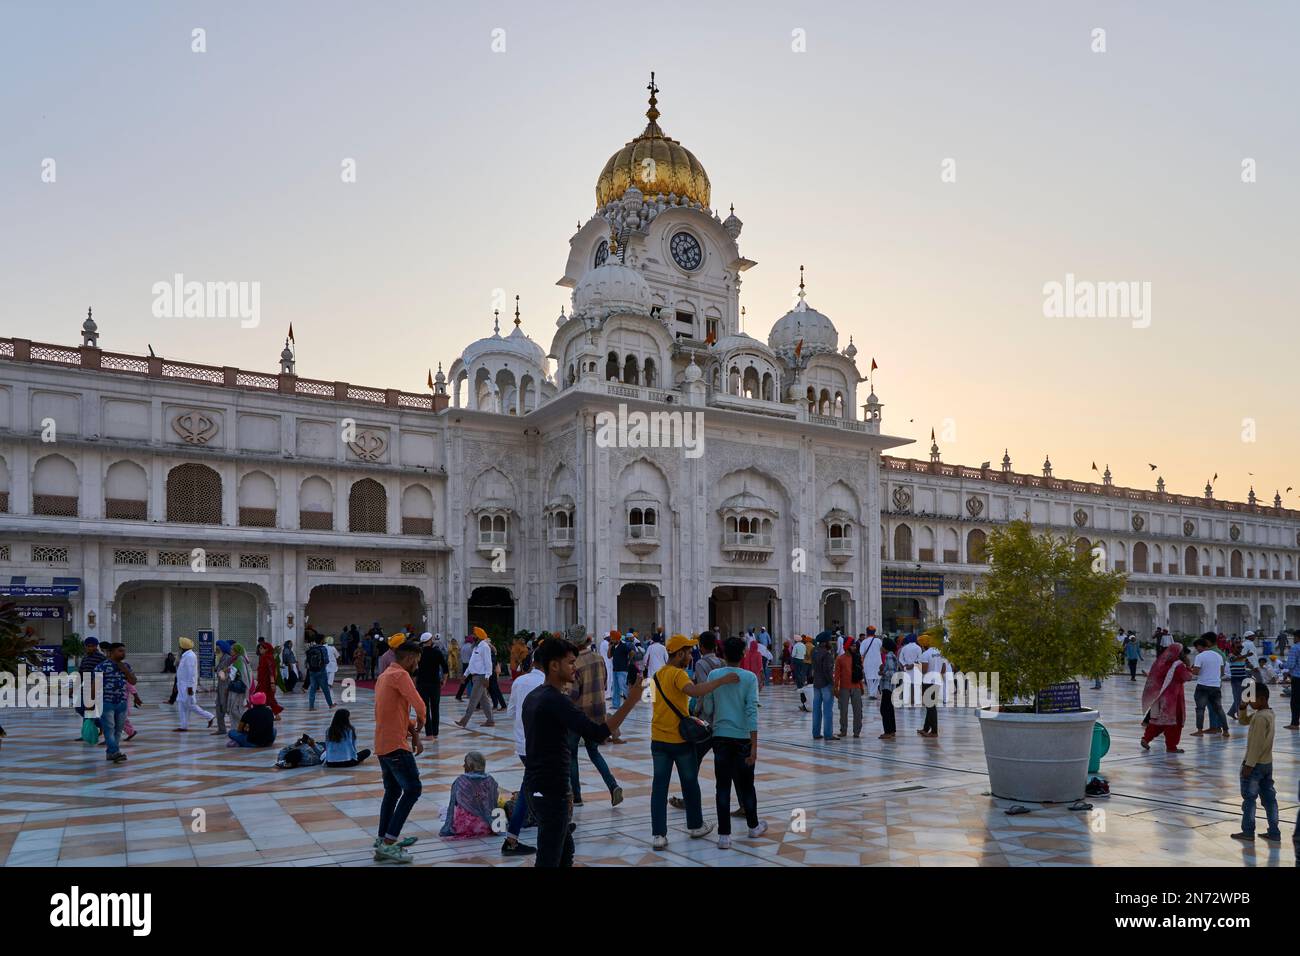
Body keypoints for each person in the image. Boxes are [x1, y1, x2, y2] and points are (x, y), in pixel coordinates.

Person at [522, 638, 643, 867]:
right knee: (549, 857)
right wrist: (630, 702)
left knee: (564, 852)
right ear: (554, 665)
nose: (574, 668)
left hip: (537, 786)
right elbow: (598, 733)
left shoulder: (535, 696)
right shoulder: (556, 701)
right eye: (569, 663)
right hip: (551, 791)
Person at [649, 635, 739, 850]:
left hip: (658, 739)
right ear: (679, 653)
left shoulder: (656, 675)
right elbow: (694, 691)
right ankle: (695, 825)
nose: (690, 656)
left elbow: (656, 703)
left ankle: (659, 835)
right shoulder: (678, 674)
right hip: (680, 740)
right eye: (688, 652)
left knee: (659, 787)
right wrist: (721, 681)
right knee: (690, 784)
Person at [373, 640, 427, 863]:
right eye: (417, 660)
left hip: (383, 744)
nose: (417, 665)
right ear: (411, 658)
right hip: (395, 745)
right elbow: (419, 704)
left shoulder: (384, 675)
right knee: (413, 789)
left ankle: (383, 838)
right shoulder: (401, 676)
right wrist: (422, 721)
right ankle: (387, 844)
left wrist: (413, 732)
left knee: (393, 791)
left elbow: (392, 711)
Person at [710, 636, 765, 848]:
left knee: (722, 786)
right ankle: (753, 827)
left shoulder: (715, 675)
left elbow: (707, 704)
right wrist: (754, 746)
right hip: (742, 738)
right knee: (747, 785)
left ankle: (724, 836)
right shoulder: (749, 678)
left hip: (720, 737)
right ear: (743, 654)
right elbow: (751, 711)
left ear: (722, 654)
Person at [567, 632, 624, 807]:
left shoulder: (574, 664)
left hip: (578, 716)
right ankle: (613, 786)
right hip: (598, 714)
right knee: (594, 752)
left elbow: (573, 693)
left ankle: (576, 796)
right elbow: (605, 683)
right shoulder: (599, 659)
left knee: (572, 755)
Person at [502, 643, 545, 857]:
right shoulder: (547, 683)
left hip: (522, 745)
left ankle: (560, 826)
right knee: (531, 790)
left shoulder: (520, 681)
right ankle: (511, 840)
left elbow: (510, 712)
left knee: (538, 786)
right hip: (542, 746)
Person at [1232, 681, 1281, 842]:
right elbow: (1244, 721)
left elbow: (1256, 744)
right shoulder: (1267, 713)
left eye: (1252, 700)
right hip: (1267, 763)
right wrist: (1242, 707)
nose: (1250, 703)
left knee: (1249, 799)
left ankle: (1247, 831)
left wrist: (1249, 765)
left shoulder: (1260, 718)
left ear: (1261, 699)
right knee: (1269, 799)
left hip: (1255, 765)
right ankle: (1274, 832)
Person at [1140, 643, 1193, 753]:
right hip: (1174, 699)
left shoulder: (1162, 664)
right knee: (1174, 722)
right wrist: (1189, 667)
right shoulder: (1178, 665)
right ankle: (1171, 747)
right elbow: (1187, 677)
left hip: (1160, 697)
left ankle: (1146, 738)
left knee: (1158, 720)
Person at [439, 752, 501, 837]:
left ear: (471, 765)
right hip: (485, 825)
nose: (463, 766)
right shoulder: (490, 780)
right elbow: (493, 802)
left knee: (450, 809)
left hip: (463, 825)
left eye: (465, 763)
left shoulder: (461, 780)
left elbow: (454, 803)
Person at [94, 643, 137, 764]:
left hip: (121, 702)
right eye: (120, 651)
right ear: (111, 652)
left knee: (118, 730)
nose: (123, 653)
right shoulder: (101, 666)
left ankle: (110, 753)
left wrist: (125, 671)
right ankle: (115, 751)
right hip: (106, 702)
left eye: (124, 651)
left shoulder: (126, 666)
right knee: (109, 728)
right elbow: (94, 685)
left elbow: (133, 681)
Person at [455, 627, 496, 728]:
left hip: (481, 677)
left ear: (479, 637)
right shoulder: (476, 647)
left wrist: (487, 677)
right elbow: (471, 664)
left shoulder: (484, 647)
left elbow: (488, 663)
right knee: (484, 700)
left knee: (473, 699)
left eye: (474, 635)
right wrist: (465, 675)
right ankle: (490, 720)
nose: (472, 637)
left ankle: (464, 721)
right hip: (475, 677)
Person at [1191, 634, 1230, 738]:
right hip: (1215, 686)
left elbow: (1196, 672)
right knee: (1219, 709)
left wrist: (1191, 669)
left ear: (1201, 646)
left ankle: (1199, 731)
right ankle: (1225, 731)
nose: (1196, 649)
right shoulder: (1219, 655)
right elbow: (1222, 673)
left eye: (1197, 647)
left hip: (1202, 686)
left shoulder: (1200, 656)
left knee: (1200, 709)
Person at [172, 637, 213, 732]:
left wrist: (190, 687)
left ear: (184, 646)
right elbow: (181, 672)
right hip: (182, 686)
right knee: (181, 705)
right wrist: (176, 686)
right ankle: (183, 726)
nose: (179, 647)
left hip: (187, 686)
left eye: (180, 645)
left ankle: (209, 716)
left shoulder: (190, 656)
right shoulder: (185, 655)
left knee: (190, 705)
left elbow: (191, 673)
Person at [415, 632, 447, 739]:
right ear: (430, 640)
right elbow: (445, 668)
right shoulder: (437, 652)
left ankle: (429, 733)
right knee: (435, 707)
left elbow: (414, 670)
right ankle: (435, 732)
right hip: (434, 684)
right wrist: (444, 680)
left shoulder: (418, 653)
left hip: (422, 684)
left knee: (425, 708)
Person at [918, 633, 949, 738]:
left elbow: (924, 670)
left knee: (930, 707)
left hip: (928, 681)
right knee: (930, 706)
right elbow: (944, 669)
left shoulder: (925, 654)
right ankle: (926, 728)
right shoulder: (940, 652)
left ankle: (934, 731)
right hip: (937, 681)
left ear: (924, 644)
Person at [834, 636, 865, 739]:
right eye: (852, 646)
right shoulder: (840, 659)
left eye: (855, 646)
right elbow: (837, 675)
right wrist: (836, 688)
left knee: (857, 710)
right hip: (844, 688)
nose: (855, 647)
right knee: (843, 710)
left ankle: (857, 732)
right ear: (847, 647)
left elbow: (859, 673)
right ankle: (843, 730)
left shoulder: (857, 657)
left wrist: (861, 686)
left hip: (856, 687)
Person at [811, 633, 836, 741]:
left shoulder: (814, 651)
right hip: (825, 684)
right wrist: (833, 683)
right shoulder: (826, 654)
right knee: (827, 710)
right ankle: (828, 734)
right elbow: (827, 671)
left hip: (816, 683)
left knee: (816, 709)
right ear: (826, 642)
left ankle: (816, 733)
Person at [255, 641, 284, 720]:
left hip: (266, 682)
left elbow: (271, 670)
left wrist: (272, 682)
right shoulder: (265, 657)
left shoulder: (267, 657)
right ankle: (276, 715)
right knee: (269, 698)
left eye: (261, 648)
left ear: (266, 649)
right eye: (259, 648)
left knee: (259, 697)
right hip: (263, 681)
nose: (260, 650)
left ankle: (260, 715)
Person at [305, 636, 334, 710]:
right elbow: (326, 660)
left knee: (312, 689)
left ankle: (311, 706)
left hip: (312, 671)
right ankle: (330, 704)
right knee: (325, 689)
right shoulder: (323, 648)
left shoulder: (311, 648)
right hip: (321, 671)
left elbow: (307, 661)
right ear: (321, 640)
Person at [878, 637, 899, 739]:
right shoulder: (892, 655)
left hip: (887, 686)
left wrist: (882, 672)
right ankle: (892, 730)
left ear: (886, 647)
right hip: (891, 686)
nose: (881, 647)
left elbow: (891, 672)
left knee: (884, 709)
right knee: (889, 709)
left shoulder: (889, 656)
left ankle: (888, 731)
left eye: (882, 645)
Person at [1226, 639, 1250, 719]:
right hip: (1236, 680)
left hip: (1244, 679)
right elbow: (1233, 659)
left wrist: (1251, 665)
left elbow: (1248, 664)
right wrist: (1246, 655)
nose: (1240, 649)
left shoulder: (1242, 656)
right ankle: (1240, 715)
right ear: (1233, 648)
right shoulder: (1230, 655)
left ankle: (1231, 712)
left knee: (1241, 697)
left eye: (1241, 648)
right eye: (1238, 647)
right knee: (1237, 698)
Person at [610, 630, 632, 708]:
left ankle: (630, 701)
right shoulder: (613, 646)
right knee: (616, 688)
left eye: (613, 639)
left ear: (617, 639)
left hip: (622, 669)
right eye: (611, 639)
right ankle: (616, 705)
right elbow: (609, 656)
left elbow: (631, 652)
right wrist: (610, 646)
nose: (612, 640)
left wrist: (629, 661)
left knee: (622, 686)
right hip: (615, 669)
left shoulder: (623, 646)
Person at [860, 627, 883, 700]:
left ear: (867, 633)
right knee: (877, 677)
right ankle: (873, 694)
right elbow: (881, 650)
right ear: (874, 632)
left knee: (869, 678)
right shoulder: (879, 641)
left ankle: (871, 693)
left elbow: (861, 652)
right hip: (877, 661)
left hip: (868, 662)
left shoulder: (864, 641)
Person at [1285, 638, 1300, 730]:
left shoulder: (1295, 648)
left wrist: (1282, 665)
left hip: (1298, 678)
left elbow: (1290, 664)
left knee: (1295, 701)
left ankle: (1294, 723)